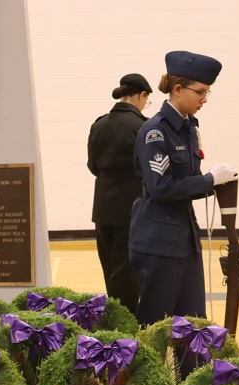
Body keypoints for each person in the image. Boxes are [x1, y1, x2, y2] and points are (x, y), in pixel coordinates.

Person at [129, 50, 238, 330]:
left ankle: (190, 376)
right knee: (155, 328)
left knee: (192, 326)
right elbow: (161, 188)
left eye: (207, 93)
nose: (204, 99)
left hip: (185, 238)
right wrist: (209, 180)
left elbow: (187, 183)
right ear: (178, 89)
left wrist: (217, 183)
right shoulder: (156, 131)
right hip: (159, 241)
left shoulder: (188, 128)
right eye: (200, 92)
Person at [87, 73, 153, 316]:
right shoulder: (144, 126)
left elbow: (92, 165)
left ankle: (113, 318)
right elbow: (148, 169)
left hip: (102, 207)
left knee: (110, 269)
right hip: (132, 207)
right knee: (128, 273)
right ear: (142, 95)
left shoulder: (99, 124)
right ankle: (123, 324)